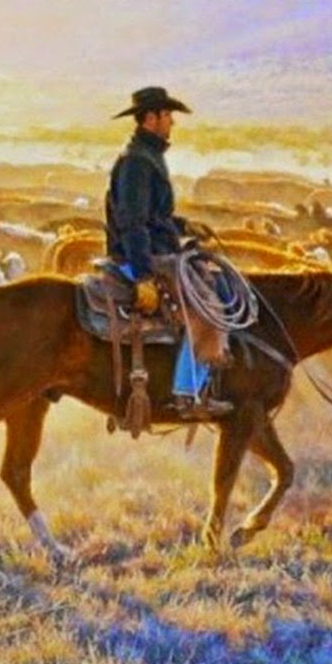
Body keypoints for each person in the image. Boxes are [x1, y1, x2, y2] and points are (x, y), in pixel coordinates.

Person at [105, 86, 232, 419]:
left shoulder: (147, 155)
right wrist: (144, 276)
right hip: (142, 257)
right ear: (151, 118)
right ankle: (187, 396)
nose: (172, 122)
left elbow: (153, 216)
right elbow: (133, 222)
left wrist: (184, 226)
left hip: (153, 249)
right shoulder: (137, 161)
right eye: (167, 115)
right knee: (208, 310)